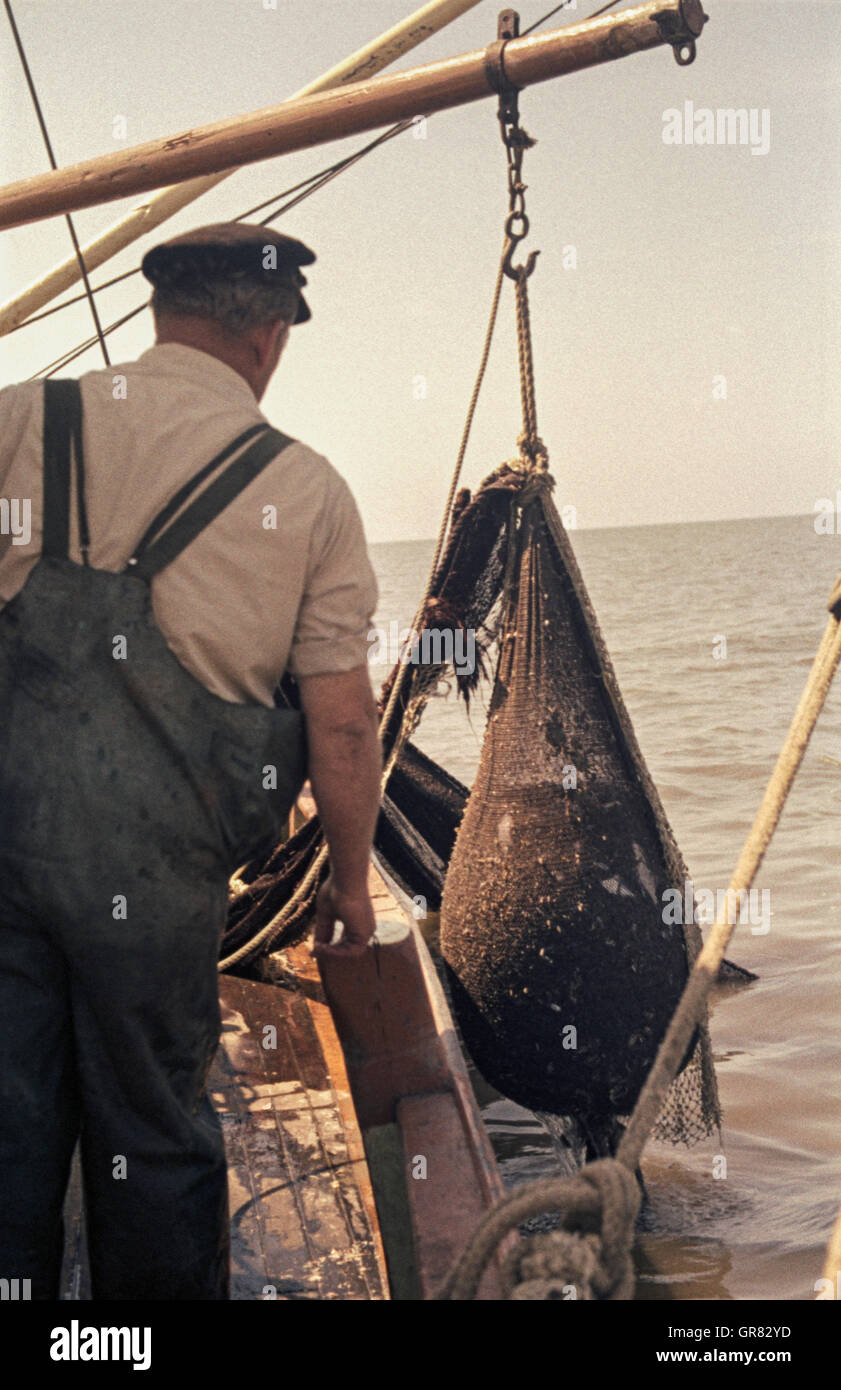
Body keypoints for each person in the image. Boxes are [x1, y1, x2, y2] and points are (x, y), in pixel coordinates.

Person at [0, 222, 382, 1300]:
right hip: (156, 886)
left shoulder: (23, 419)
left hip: (8, 851)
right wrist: (347, 879)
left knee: (9, 1119)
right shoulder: (306, 494)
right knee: (153, 1127)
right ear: (268, 337)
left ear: (160, 314)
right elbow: (342, 724)